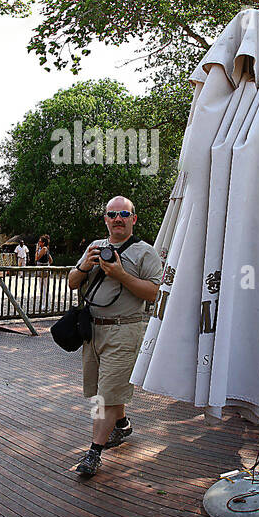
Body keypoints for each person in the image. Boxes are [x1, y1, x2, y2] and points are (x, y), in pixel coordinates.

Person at [71, 196, 166, 479]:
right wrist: (84, 267)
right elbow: (72, 282)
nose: (117, 219)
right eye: (112, 214)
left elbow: (155, 294)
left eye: (124, 214)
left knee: (107, 394)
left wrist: (121, 275)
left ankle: (94, 452)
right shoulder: (94, 248)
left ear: (133, 219)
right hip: (93, 330)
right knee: (104, 388)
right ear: (105, 219)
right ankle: (121, 425)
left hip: (124, 330)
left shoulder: (145, 253)